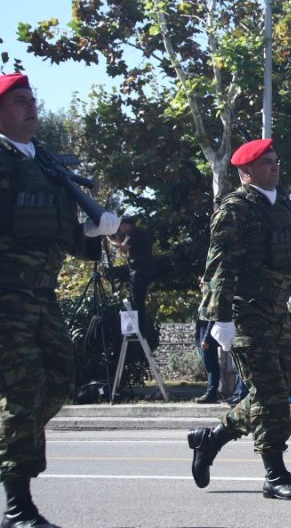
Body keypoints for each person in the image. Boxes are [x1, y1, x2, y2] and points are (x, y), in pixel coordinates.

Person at [187, 138, 291, 501]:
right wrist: (220, 318)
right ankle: (275, 473)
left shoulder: (286, 208)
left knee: (272, 391)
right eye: (266, 162)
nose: (275, 167)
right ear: (246, 172)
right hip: (246, 313)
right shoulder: (236, 209)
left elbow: (286, 259)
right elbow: (220, 266)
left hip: (277, 312)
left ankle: (211, 439)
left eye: (276, 161)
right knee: (270, 394)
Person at [0, 72, 119, 527]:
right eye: (18, 102)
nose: (31, 109)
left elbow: (57, 228)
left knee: (60, 384)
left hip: (42, 293)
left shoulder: (46, 163)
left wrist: (91, 233)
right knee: (24, 392)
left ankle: (11, 448)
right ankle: (17, 506)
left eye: (33, 101)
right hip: (5, 294)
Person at [108, 216, 156, 317]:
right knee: (137, 300)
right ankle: (139, 325)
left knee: (137, 302)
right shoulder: (135, 233)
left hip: (140, 270)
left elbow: (122, 248)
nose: (120, 229)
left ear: (126, 225)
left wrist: (109, 238)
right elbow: (124, 250)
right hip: (142, 269)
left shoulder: (134, 233)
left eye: (120, 227)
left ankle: (139, 326)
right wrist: (117, 237)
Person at [194, 279, 222, 403]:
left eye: (203, 283)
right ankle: (211, 392)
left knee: (212, 366)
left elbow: (211, 321)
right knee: (208, 365)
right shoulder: (204, 300)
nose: (200, 285)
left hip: (208, 339)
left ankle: (211, 393)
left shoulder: (211, 300)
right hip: (201, 338)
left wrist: (206, 339)